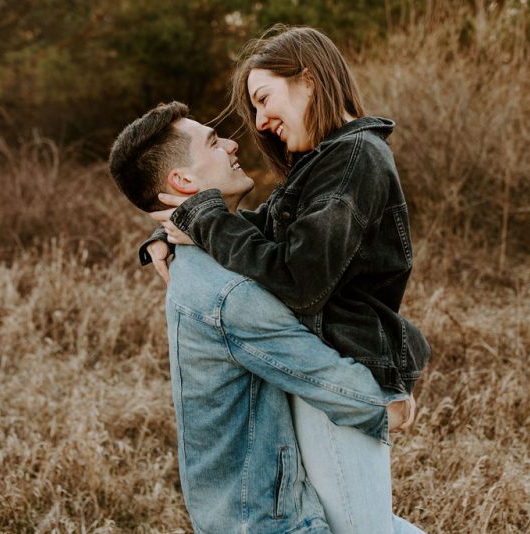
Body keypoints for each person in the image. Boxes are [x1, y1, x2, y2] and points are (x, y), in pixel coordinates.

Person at [146, 25, 431, 534]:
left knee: (362, 530)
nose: (259, 122)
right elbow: (266, 237)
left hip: (346, 366)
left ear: (308, 79)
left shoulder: (354, 159)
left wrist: (205, 220)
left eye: (263, 99)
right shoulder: (325, 161)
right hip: (323, 367)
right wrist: (175, 233)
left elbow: (299, 279)